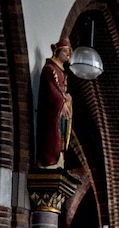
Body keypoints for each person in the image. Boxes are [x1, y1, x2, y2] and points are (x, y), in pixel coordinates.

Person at [36, 37, 73, 169]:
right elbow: (51, 90)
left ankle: (58, 160)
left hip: (60, 113)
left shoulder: (63, 72)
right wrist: (61, 102)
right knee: (52, 135)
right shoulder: (49, 69)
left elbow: (61, 92)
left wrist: (67, 99)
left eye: (69, 53)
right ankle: (49, 161)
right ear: (57, 52)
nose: (67, 55)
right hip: (51, 112)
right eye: (65, 52)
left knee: (60, 135)